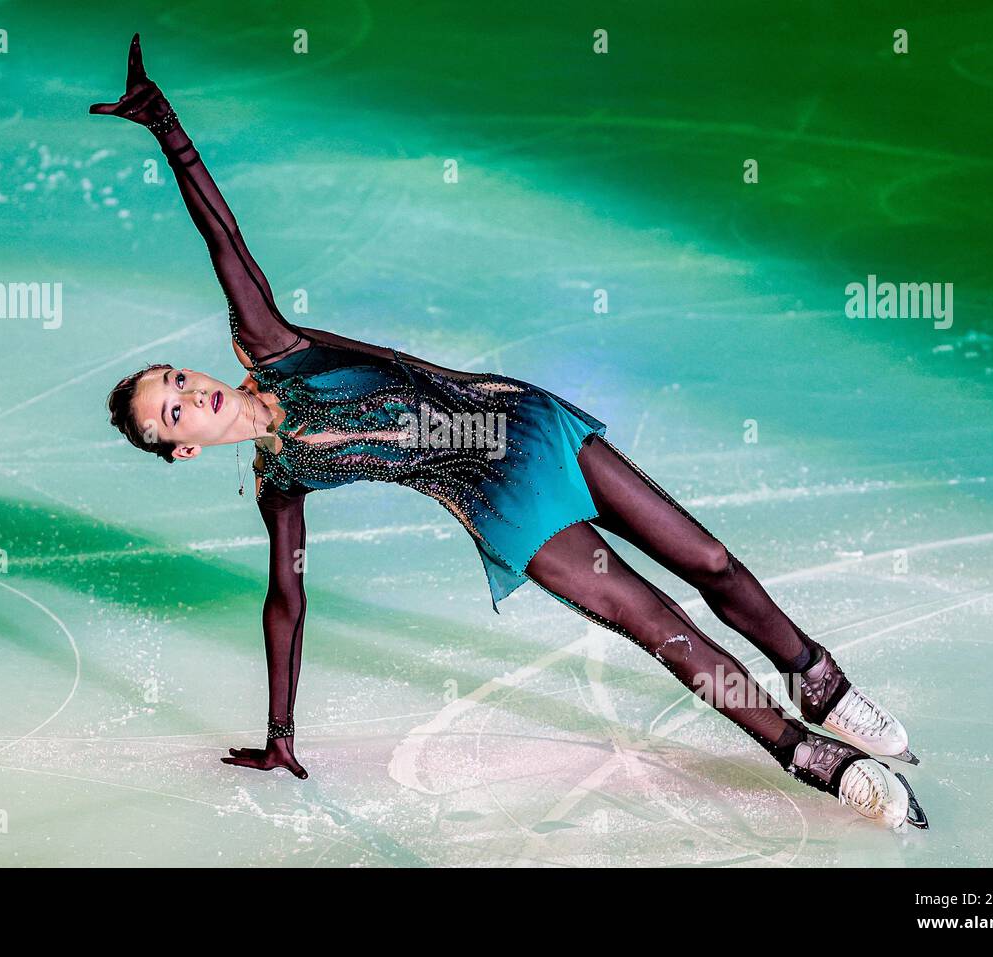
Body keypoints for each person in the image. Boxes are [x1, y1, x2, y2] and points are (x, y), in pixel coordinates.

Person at [93, 35, 927, 830]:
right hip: (502, 508)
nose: (188, 393)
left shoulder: (270, 346)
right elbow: (286, 602)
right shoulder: (283, 485)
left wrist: (168, 128)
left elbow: (223, 237)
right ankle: (810, 756)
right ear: (186, 448)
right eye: (172, 413)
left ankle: (820, 681)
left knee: (710, 564)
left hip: (522, 422)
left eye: (175, 378)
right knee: (665, 629)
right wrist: (280, 734)